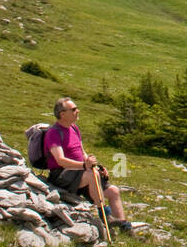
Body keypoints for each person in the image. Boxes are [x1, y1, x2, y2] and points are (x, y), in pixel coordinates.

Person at [45, 96, 132, 233]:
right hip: (62, 175)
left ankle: (125, 227)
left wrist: (94, 166)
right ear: (62, 114)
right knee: (92, 175)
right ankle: (105, 215)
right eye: (73, 109)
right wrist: (85, 166)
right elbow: (60, 160)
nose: (77, 111)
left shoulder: (74, 128)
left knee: (113, 191)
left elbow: (82, 152)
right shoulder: (53, 133)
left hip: (80, 174)